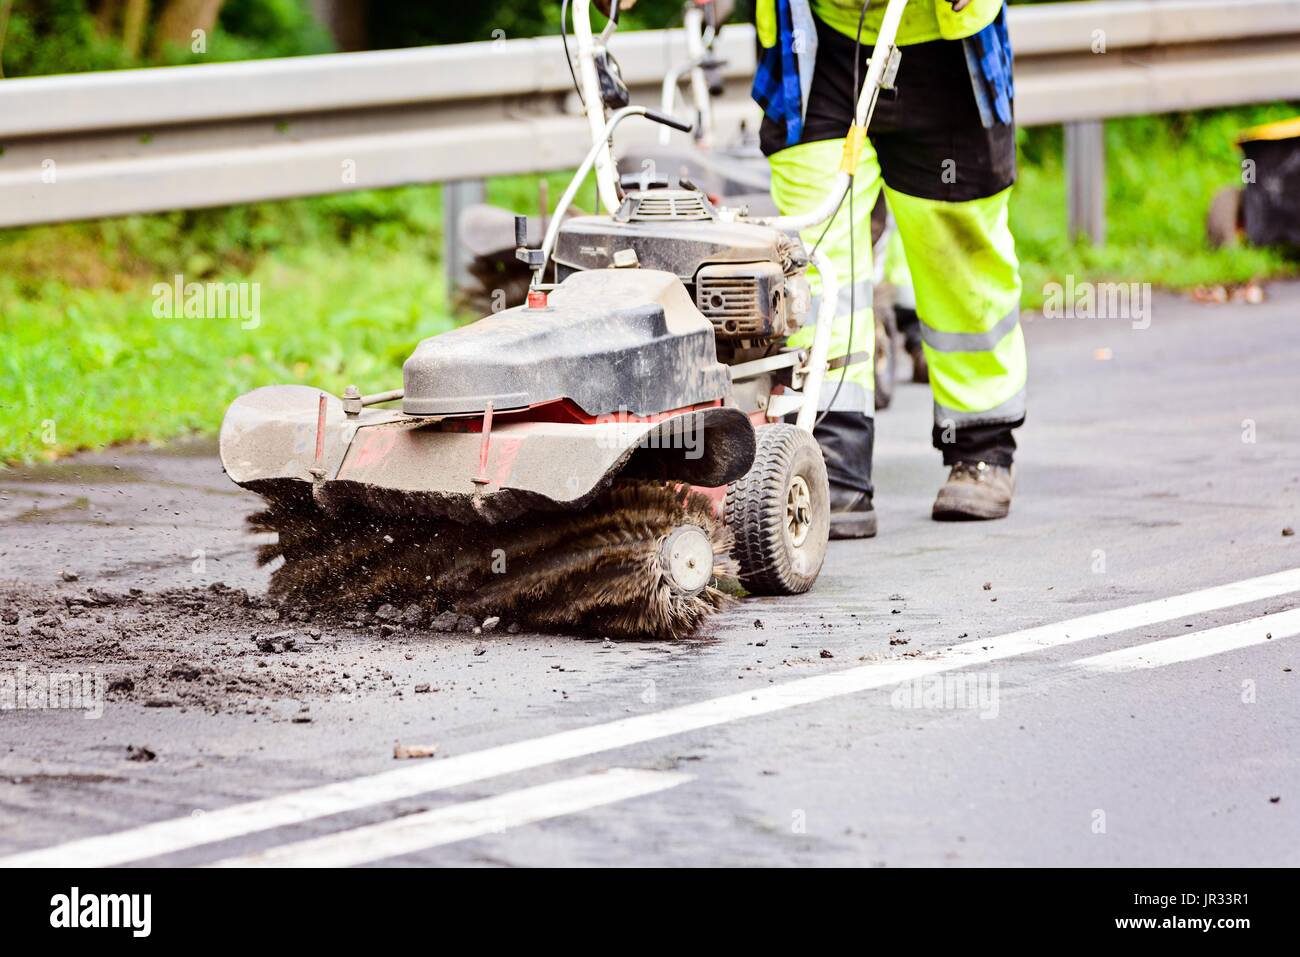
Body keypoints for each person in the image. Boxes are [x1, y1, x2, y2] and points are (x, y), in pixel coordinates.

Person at [752, 0, 1027, 537]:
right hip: (816, 37)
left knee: (958, 246)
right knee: (816, 248)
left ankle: (980, 444)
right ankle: (830, 458)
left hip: (945, 40)